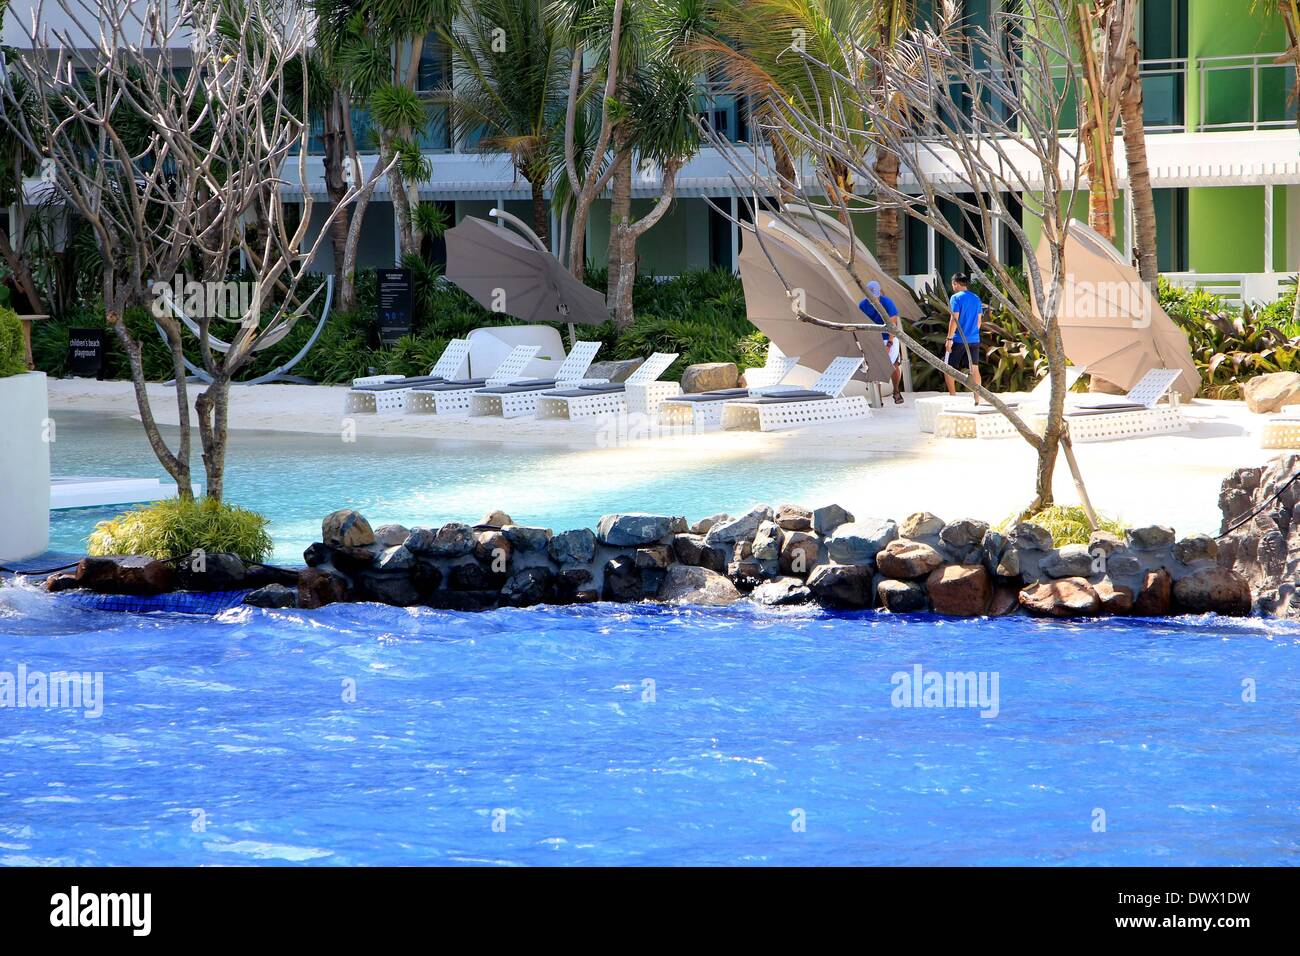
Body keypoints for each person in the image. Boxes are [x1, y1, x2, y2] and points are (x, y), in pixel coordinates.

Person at [857, 279, 905, 405]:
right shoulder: (862, 305)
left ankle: (896, 390)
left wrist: (889, 343)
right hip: (873, 340)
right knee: (875, 369)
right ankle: (878, 399)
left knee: (893, 366)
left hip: (889, 338)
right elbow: (860, 324)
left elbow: (893, 324)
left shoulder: (887, 302)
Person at [945, 273, 985, 402]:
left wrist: (949, 338)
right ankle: (977, 398)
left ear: (955, 283)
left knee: (948, 368)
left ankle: (953, 397)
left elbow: (954, 319)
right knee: (975, 369)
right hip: (974, 339)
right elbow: (979, 322)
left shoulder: (955, 297)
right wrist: (972, 333)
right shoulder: (976, 298)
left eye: (953, 285)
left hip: (958, 339)